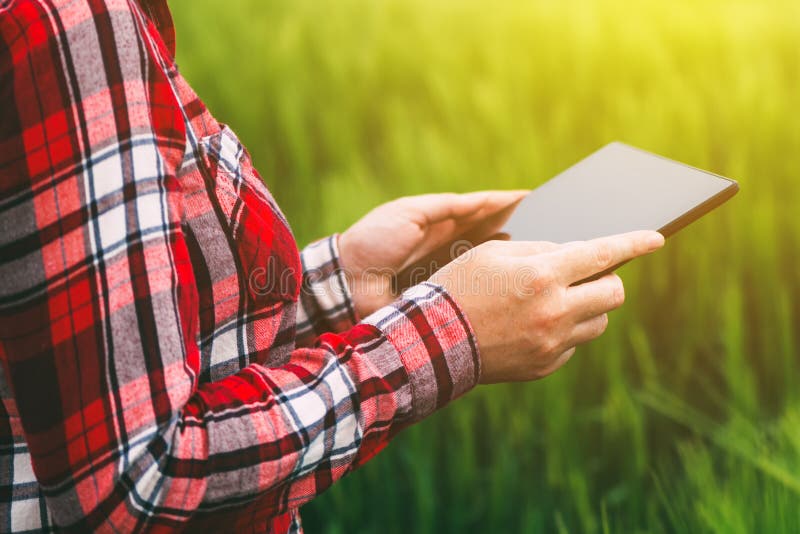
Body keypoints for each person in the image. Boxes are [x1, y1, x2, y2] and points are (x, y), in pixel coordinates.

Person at [0, 0, 664, 531]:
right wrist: (442, 337)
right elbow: (138, 486)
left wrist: (337, 286)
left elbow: (86, 366)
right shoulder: (68, 24)